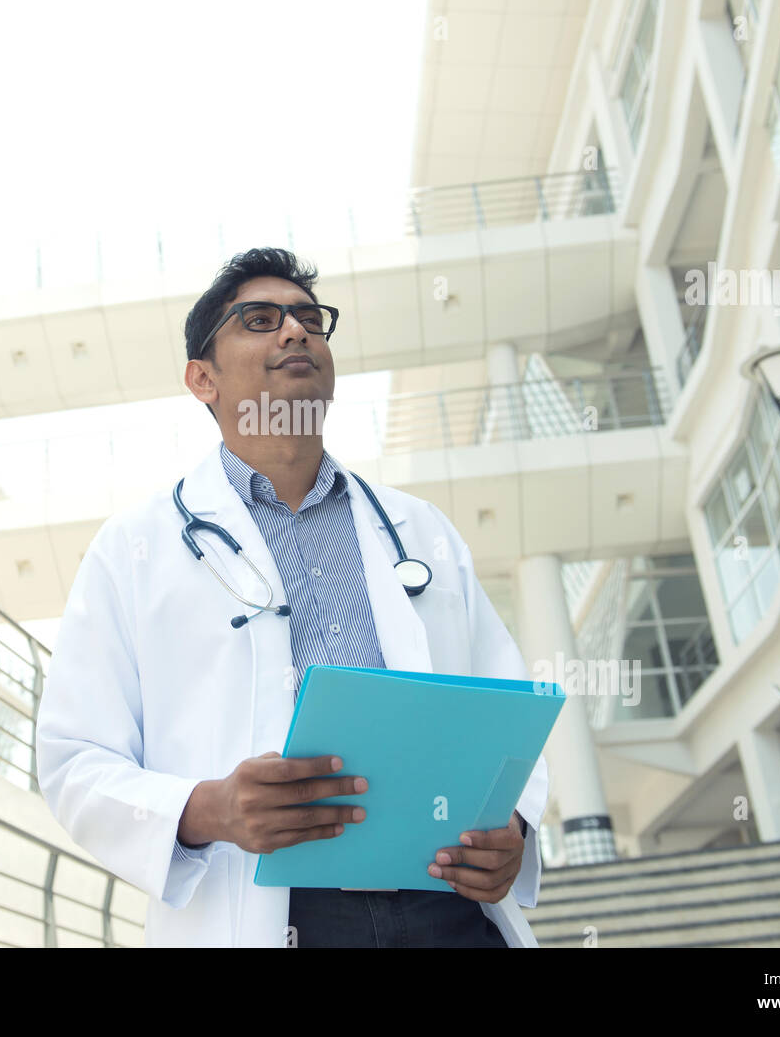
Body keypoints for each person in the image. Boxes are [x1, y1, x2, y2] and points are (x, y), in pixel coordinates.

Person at [36, 247, 548, 947]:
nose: (296, 331)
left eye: (310, 317)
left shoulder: (418, 529)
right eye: (261, 319)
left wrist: (514, 827)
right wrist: (207, 809)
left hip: (446, 905)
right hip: (276, 913)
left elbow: (508, 705)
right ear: (202, 379)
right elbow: (74, 761)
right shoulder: (134, 550)